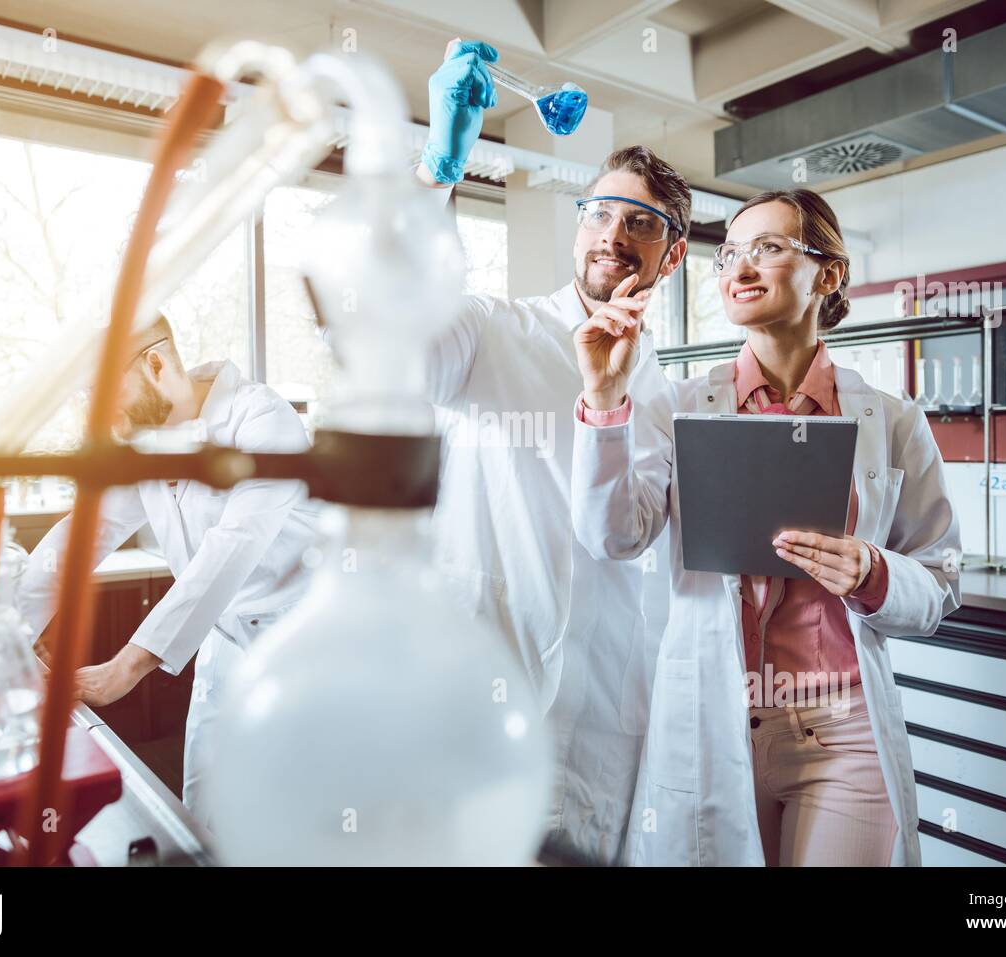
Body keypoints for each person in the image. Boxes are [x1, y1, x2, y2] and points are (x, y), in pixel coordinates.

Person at [570, 187, 962, 866]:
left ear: (828, 274)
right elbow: (613, 535)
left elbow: (941, 579)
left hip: (842, 729)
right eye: (728, 255)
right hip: (715, 716)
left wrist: (873, 572)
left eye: (768, 249)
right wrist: (604, 398)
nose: (739, 269)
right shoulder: (680, 404)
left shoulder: (892, 421)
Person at [0, 314, 319, 827]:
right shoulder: (146, 442)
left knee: (293, 819)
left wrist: (126, 666)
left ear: (154, 363)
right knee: (203, 821)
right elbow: (80, 538)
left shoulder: (263, 422)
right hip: (223, 647)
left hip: (300, 653)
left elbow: (233, 547)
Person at [409, 39, 686, 863]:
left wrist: (608, 394)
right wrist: (436, 177)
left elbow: (624, 535)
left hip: (604, 715)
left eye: (641, 223)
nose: (614, 233)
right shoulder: (494, 330)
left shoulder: (669, 393)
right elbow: (397, 338)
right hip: (476, 702)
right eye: (600, 212)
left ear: (671, 255)